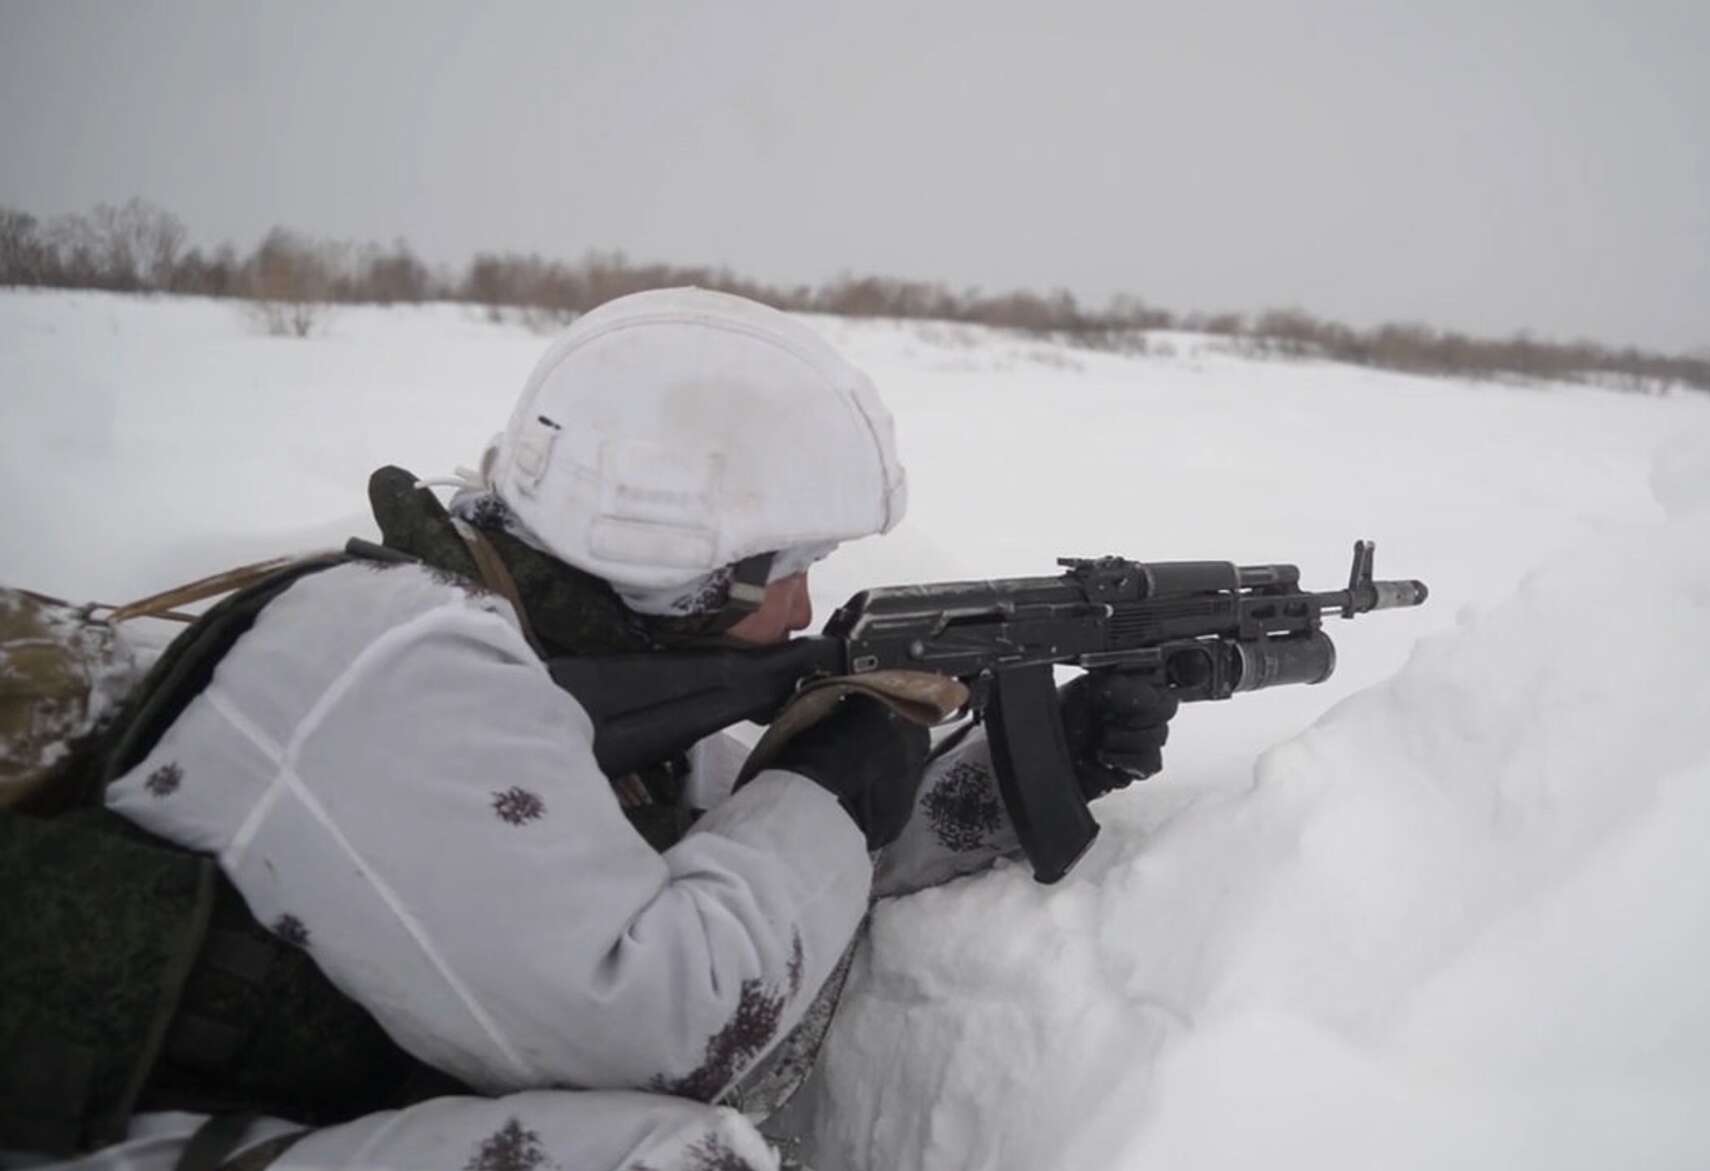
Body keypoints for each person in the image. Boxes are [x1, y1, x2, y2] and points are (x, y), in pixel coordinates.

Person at [14, 288, 1176, 1170]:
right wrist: (836, 768)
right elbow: (676, 1023)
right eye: (786, 569)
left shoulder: (539, 650)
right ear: (681, 567)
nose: (804, 608)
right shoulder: (388, 670)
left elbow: (743, 856)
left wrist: (1020, 772)